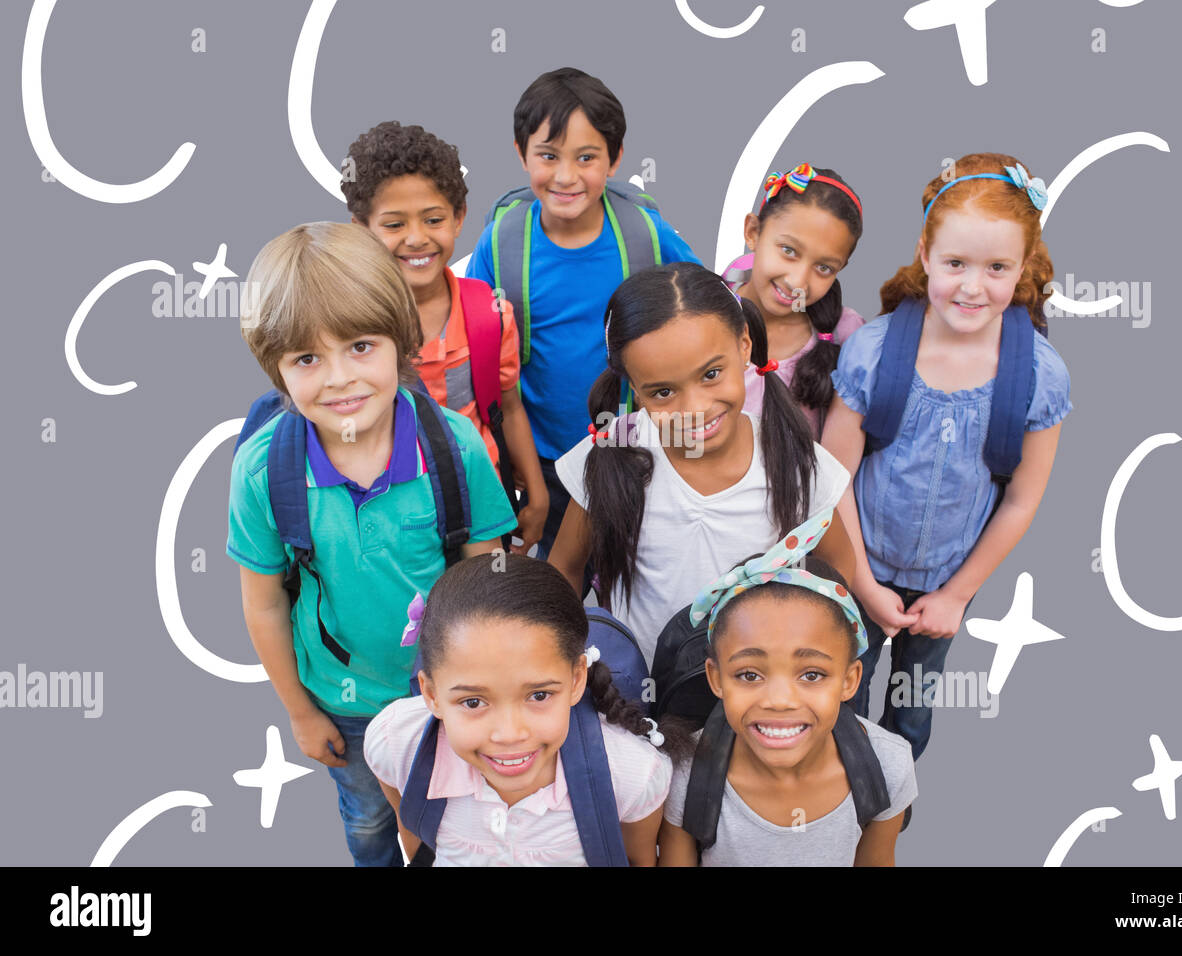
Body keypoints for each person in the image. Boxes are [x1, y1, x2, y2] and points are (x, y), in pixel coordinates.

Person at [228, 222, 516, 865]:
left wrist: (490, 694)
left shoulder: (455, 449)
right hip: (342, 701)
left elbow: (491, 581)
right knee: (368, 824)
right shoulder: (260, 473)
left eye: (360, 346)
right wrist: (300, 712)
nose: (338, 379)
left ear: (400, 342)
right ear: (276, 368)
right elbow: (265, 603)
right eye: (307, 359)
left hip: (451, 697)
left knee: (454, 827)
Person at [820, 153, 1073, 759]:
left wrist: (957, 595)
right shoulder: (874, 352)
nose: (972, 285)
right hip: (857, 568)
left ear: (1023, 267)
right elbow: (831, 478)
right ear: (925, 253)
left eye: (996, 267)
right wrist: (861, 583)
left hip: (953, 577)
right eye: (955, 262)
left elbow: (1021, 500)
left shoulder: (1039, 376)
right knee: (835, 709)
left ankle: (887, 818)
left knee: (911, 715)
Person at [548, 261, 855, 666]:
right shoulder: (609, 455)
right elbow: (564, 570)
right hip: (635, 700)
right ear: (634, 390)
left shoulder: (796, 461)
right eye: (662, 392)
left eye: (711, 374)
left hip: (750, 700)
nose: (693, 409)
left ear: (744, 345)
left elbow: (838, 565)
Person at [465, 67, 702, 558]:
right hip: (542, 460)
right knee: (556, 587)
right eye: (548, 156)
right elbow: (481, 351)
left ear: (615, 159)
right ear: (521, 154)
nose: (566, 176)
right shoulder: (503, 242)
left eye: (587, 157)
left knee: (637, 581)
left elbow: (705, 305)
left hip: (633, 452)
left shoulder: (644, 234)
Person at [364, 554, 676, 866]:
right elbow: (414, 834)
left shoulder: (633, 775)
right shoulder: (397, 742)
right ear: (431, 694)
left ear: (577, 677)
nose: (509, 734)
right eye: (473, 702)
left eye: (539, 695)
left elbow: (636, 859)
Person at [657, 511, 917, 866]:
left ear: (850, 680)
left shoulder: (888, 766)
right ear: (716, 679)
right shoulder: (684, 776)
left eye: (811, 674)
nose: (779, 701)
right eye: (749, 675)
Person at [343, 121, 549, 553]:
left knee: (478, 611)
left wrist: (536, 491)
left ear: (458, 219)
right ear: (362, 229)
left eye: (433, 219)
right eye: (394, 224)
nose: (417, 238)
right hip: (387, 522)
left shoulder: (490, 314)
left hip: (479, 512)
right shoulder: (346, 326)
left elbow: (507, 408)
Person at [723, 163, 867, 437]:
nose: (798, 282)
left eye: (824, 268)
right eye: (788, 250)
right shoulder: (699, 317)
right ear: (753, 232)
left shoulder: (847, 336)